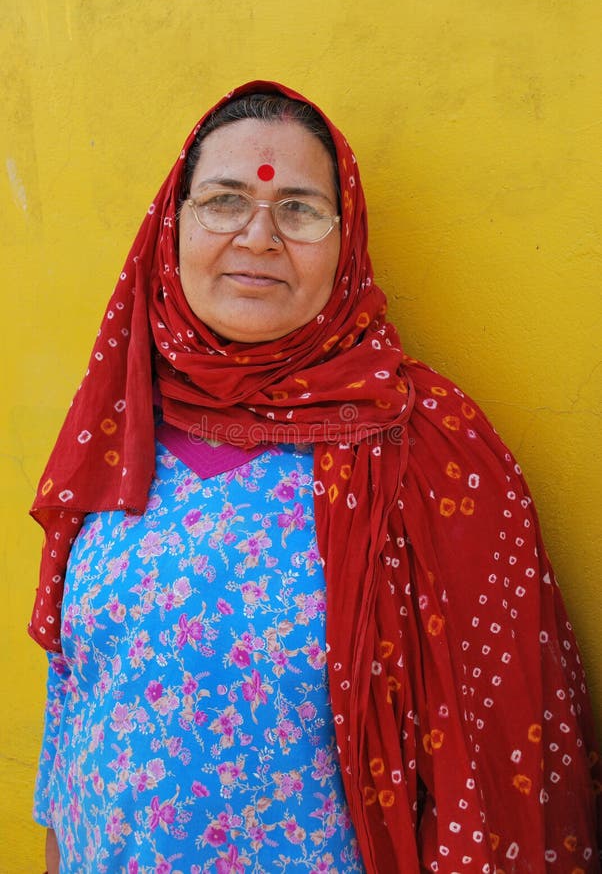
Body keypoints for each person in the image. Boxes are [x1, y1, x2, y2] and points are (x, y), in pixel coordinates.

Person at [30, 81, 600, 874]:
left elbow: (498, 757)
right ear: (174, 225)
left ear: (347, 240)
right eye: (223, 201)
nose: (258, 236)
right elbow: (75, 710)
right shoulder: (122, 423)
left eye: (299, 209)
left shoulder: (426, 449)